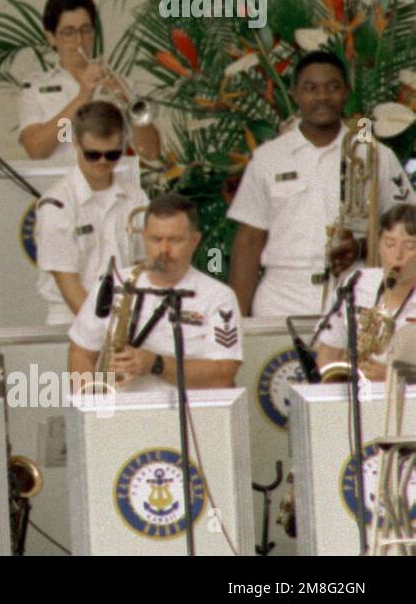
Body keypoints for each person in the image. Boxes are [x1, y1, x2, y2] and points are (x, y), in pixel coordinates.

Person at [228, 51, 415, 317]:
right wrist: (237, 320)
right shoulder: (267, 158)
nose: (322, 96)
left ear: (347, 92)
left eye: (333, 87)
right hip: (281, 299)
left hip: (358, 293)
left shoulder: (376, 155)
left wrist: (362, 248)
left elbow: (410, 229)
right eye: (310, 88)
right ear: (294, 94)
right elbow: (248, 240)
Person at [68, 193, 242, 391]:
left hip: (191, 411)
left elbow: (224, 373)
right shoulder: (113, 284)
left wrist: (155, 364)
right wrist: (89, 403)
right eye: (155, 239)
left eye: (175, 240)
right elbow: (80, 353)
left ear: (195, 240)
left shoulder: (218, 296)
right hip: (120, 411)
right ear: (143, 237)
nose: (163, 250)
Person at [35, 102, 150, 324]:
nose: (102, 162)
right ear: (76, 144)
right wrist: (102, 331)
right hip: (71, 321)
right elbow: (68, 282)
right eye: (93, 154)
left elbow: (144, 265)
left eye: (112, 154)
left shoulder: (136, 196)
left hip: (127, 319)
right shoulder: (57, 203)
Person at [17, 0, 161, 166]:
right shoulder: (35, 87)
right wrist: (82, 97)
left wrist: (126, 98)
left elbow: (152, 152)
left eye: (86, 30)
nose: (79, 40)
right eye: (69, 32)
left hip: (113, 188)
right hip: (61, 188)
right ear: (51, 37)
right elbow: (36, 150)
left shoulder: (120, 83)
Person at [316, 204, 416, 382]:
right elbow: (328, 354)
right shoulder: (356, 282)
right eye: (390, 244)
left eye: (409, 246)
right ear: (378, 245)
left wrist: (392, 377)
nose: (397, 255)